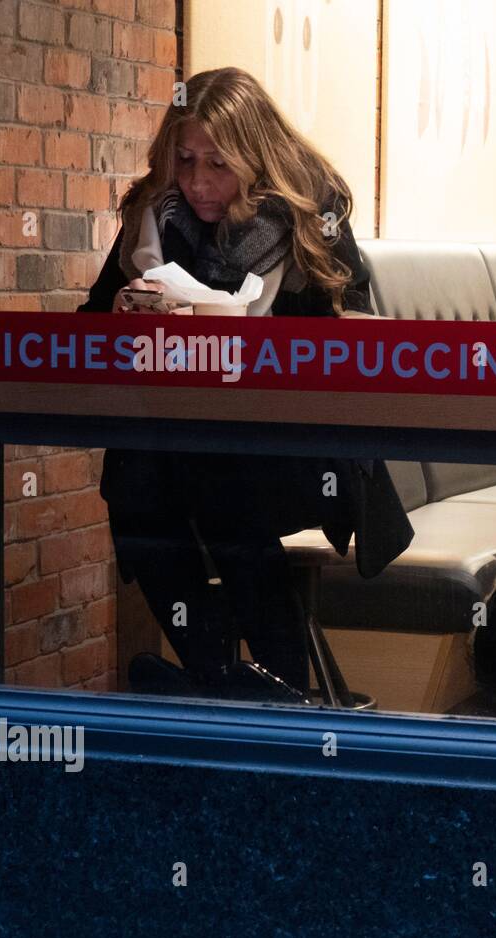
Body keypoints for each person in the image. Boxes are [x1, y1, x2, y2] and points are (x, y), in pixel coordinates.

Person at [79, 67, 412, 700]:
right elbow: (89, 325)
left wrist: (256, 334)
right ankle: (225, 679)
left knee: (212, 477)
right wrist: (124, 309)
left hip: (299, 450)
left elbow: (354, 346)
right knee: (133, 485)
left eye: (218, 164)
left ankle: (272, 677)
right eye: (185, 160)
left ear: (256, 160)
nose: (198, 182)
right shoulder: (152, 216)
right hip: (187, 447)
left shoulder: (312, 220)